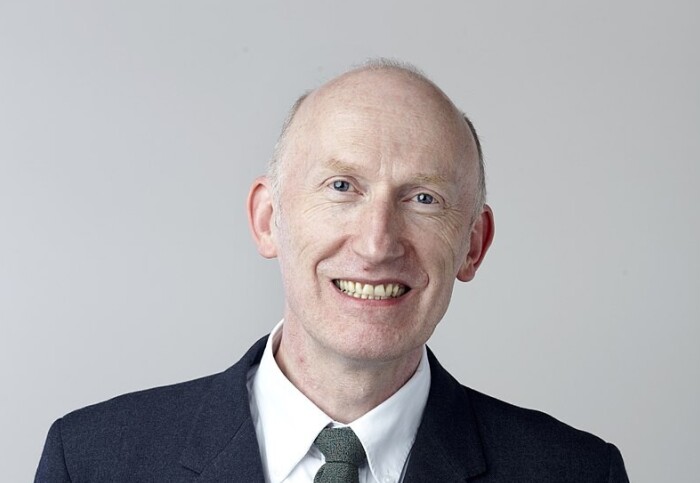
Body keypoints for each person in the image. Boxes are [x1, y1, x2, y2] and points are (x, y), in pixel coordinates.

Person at [35, 60, 629, 482]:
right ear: (268, 219)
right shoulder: (90, 463)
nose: (376, 243)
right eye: (342, 187)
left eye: (423, 199)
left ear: (474, 245)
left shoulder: (576, 472)